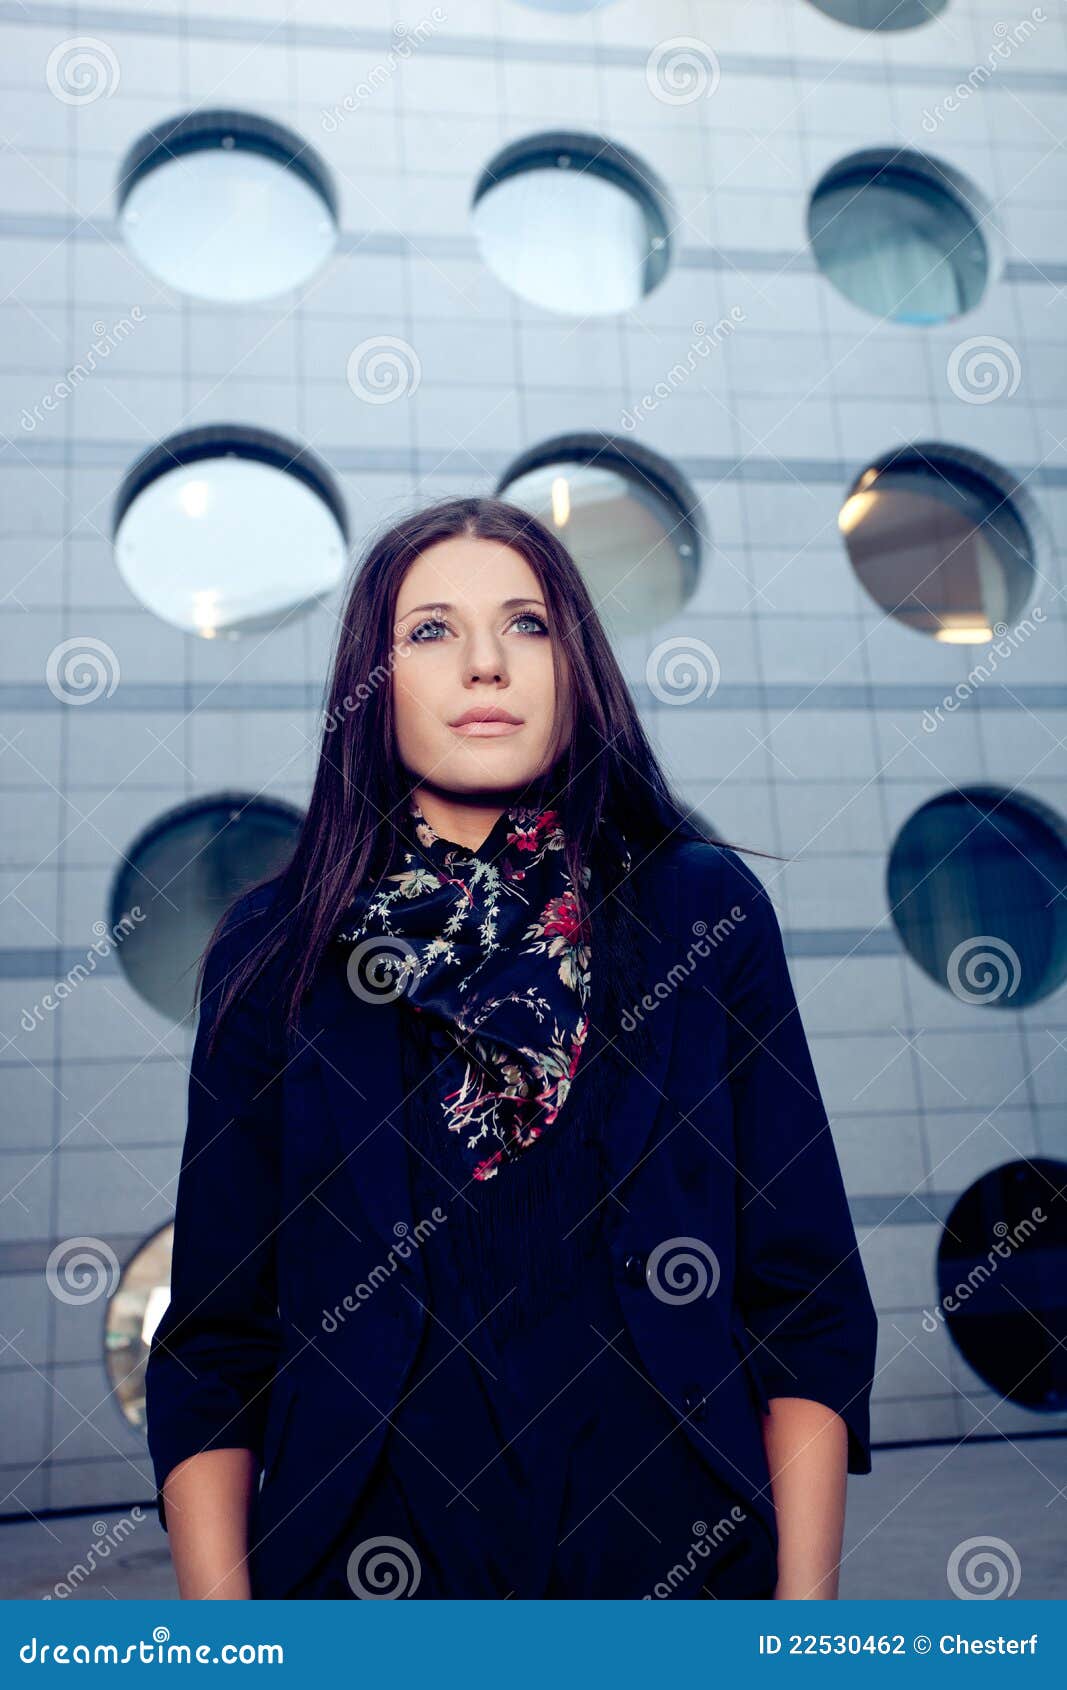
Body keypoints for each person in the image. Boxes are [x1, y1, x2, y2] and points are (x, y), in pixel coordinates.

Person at [144, 495, 878, 1600]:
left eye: (526, 624)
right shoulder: (273, 948)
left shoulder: (699, 909)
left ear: (574, 668)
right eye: (430, 630)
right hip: (363, 1593)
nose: (484, 662)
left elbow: (803, 1293)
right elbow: (216, 1340)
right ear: (370, 684)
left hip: (682, 1575)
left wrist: (802, 1620)